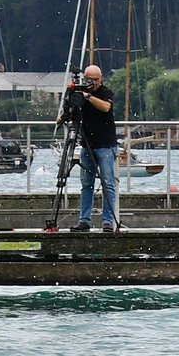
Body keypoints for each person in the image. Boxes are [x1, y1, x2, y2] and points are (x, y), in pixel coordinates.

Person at [62, 62, 118, 232]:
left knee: (108, 183)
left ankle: (108, 222)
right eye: (90, 79)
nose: (93, 83)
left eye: (96, 79)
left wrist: (88, 97)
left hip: (105, 145)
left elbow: (106, 107)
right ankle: (84, 220)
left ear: (100, 79)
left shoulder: (105, 92)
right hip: (87, 145)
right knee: (87, 184)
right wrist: (64, 114)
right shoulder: (78, 91)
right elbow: (69, 110)